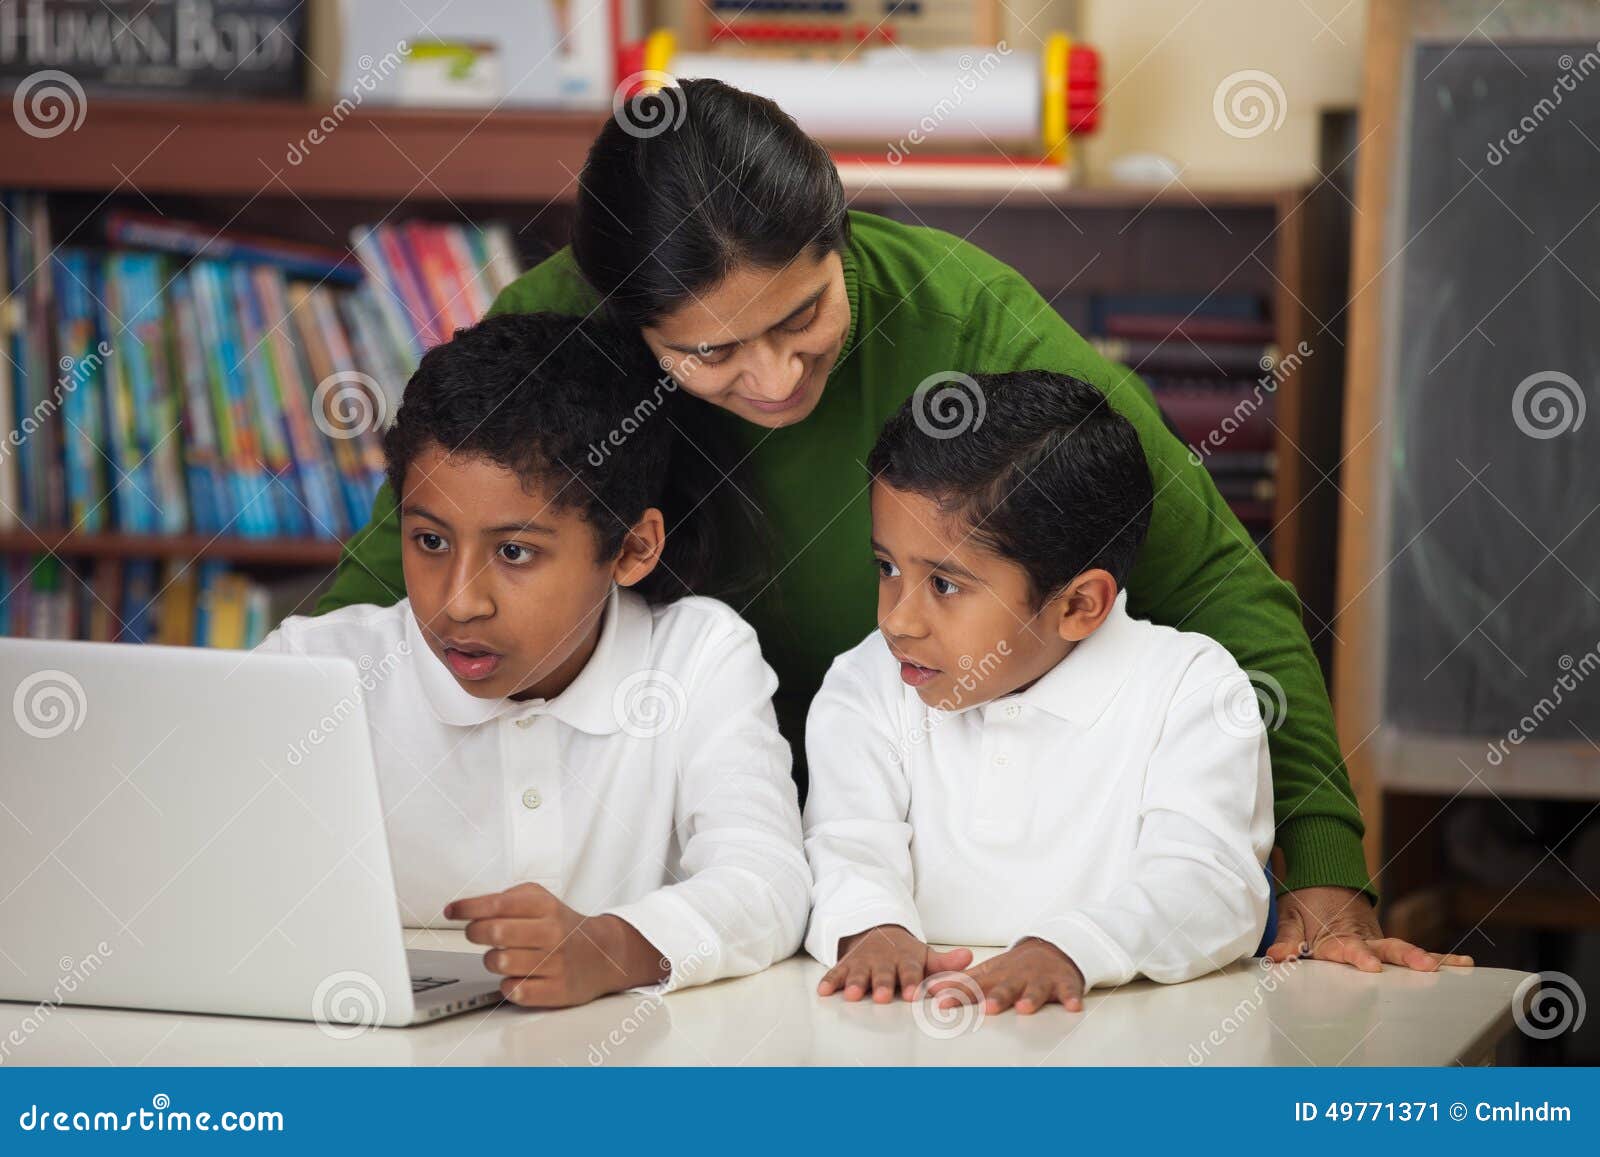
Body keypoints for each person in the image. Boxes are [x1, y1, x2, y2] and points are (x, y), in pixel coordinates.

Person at [317, 77, 1460, 973]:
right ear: (625, 320)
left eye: (804, 313)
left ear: (841, 233)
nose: (772, 377)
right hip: (682, 858)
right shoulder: (556, 328)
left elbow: (1212, 580)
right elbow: (386, 590)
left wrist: (1322, 876)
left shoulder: (970, 316)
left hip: (924, 844)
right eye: (711, 353)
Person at [256, 313, 810, 1006]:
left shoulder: (697, 658)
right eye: (429, 541)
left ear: (633, 549)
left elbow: (768, 880)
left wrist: (612, 947)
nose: (459, 602)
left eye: (514, 552)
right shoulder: (311, 671)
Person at [807, 373, 1277, 1014]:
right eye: (887, 568)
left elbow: (1208, 885)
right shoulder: (867, 682)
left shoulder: (1189, 689)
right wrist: (872, 926)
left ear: (1081, 605)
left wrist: (1069, 949)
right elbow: (844, 844)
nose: (897, 620)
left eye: (945, 585)